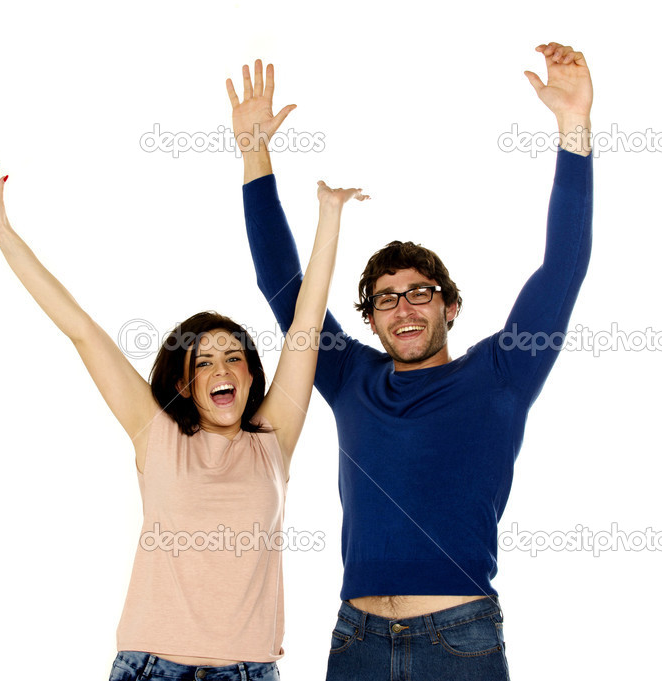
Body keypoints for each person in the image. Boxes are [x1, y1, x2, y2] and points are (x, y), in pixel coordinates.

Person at [233, 44, 592, 679]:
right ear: (369, 318)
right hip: (356, 639)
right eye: (386, 299)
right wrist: (254, 154)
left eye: (421, 293)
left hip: (460, 640)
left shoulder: (502, 375)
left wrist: (573, 128)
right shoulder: (350, 378)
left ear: (450, 307)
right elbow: (285, 288)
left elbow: (562, 265)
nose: (405, 309)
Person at [0, 162, 367, 678]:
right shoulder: (155, 431)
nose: (220, 370)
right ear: (184, 383)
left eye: (232, 357)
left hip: (247, 671)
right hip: (151, 666)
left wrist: (330, 216)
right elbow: (83, 332)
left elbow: (306, 326)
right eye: (202, 362)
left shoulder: (273, 439)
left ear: (250, 375)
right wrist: (5, 237)